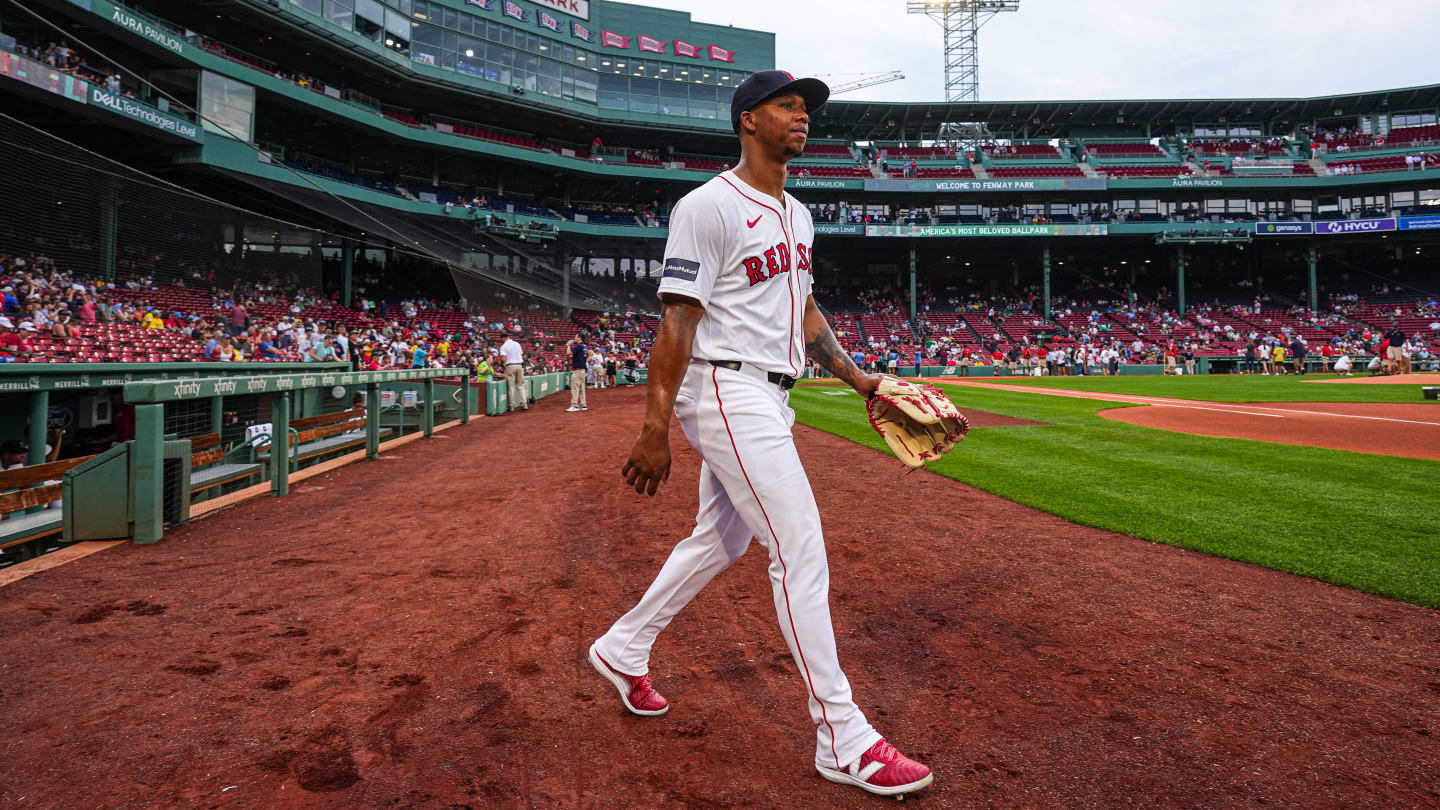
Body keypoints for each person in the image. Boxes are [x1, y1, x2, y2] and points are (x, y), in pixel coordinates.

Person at [590, 70, 933, 798]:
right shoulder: (708, 206)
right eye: (788, 105)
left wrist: (863, 381)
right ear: (748, 120)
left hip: (772, 394)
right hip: (722, 384)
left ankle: (625, 647)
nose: (802, 116)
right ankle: (843, 736)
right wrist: (655, 425)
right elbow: (677, 319)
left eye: (807, 109)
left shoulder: (798, 215)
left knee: (725, 538)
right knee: (798, 546)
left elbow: (804, 312)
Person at [499, 335, 527, 412]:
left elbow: (503, 358)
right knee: (520, 385)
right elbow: (521, 355)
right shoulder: (517, 343)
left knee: (511, 387)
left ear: (503, 338)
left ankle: (512, 406)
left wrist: (502, 364)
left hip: (510, 366)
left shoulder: (504, 346)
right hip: (519, 365)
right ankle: (524, 404)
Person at [567, 335, 589, 412]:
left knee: (575, 388)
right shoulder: (584, 346)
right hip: (583, 370)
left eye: (576, 337)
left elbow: (568, 353)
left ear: (579, 338)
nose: (574, 338)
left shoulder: (579, 346)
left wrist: (569, 345)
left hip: (578, 370)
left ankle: (575, 405)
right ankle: (583, 405)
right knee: (582, 389)